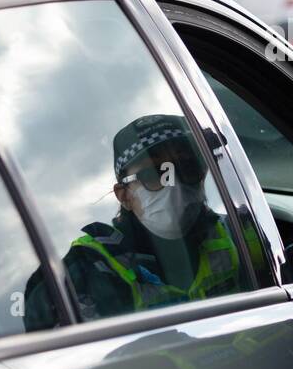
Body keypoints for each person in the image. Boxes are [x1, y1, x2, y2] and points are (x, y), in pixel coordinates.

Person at [24, 113, 253, 330]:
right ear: (124, 196)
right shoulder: (83, 272)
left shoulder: (239, 236)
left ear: (203, 175)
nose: (175, 185)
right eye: (155, 174)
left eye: (188, 167)